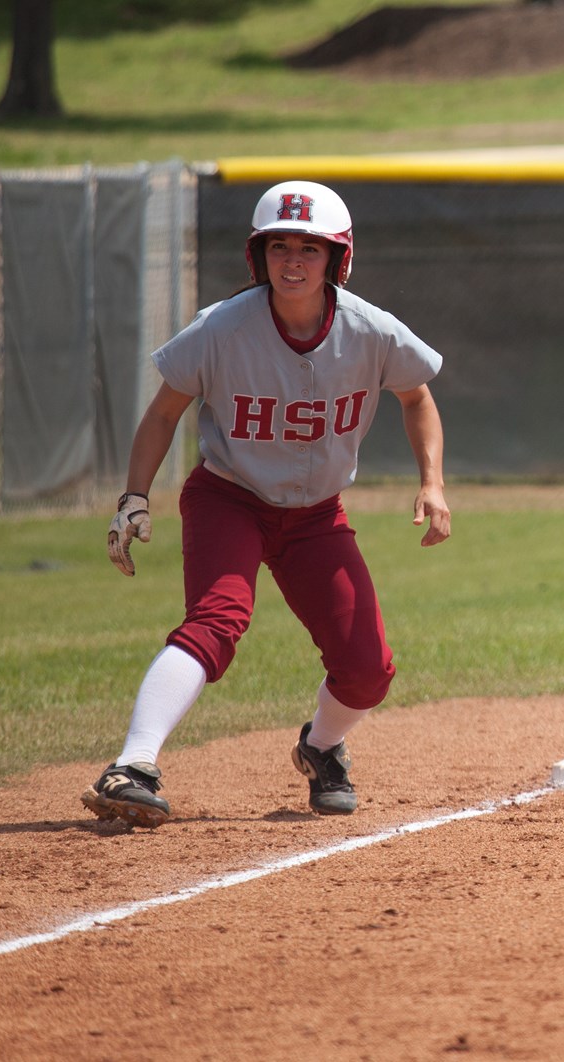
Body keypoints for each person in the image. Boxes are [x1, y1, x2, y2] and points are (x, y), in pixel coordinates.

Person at [81, 179, 452, 829]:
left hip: (317, 514)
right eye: (279, 246)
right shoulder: (224, 328)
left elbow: (416, 397)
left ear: (338, 258)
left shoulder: (369, 330)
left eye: (311, 248)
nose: (294, 261)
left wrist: (433, 483)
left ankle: (322, 749)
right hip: (231, 498)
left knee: (368, 670)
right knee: (217, 621)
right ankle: (133, 765)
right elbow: (164, 411)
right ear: (259, 256)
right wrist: (134, 496)